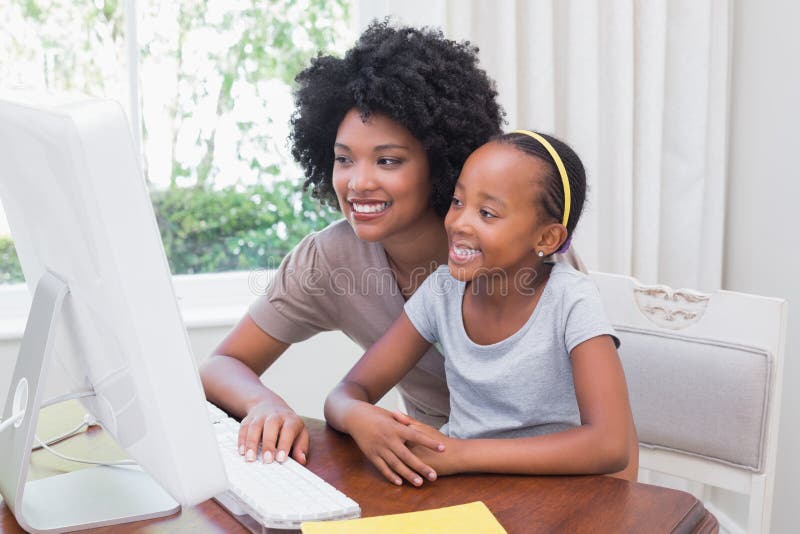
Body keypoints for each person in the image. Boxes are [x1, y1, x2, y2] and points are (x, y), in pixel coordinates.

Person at [200, 21, 583, 467]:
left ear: (441, 161)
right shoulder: (330, 259)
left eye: (388, 160)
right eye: (344, 159)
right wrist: (264, 405)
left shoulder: (515, 246)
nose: (358, 183)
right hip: (431, 470)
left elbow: (605, 433)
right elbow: (221, 365)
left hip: (551, 474)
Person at [324, 130, 639, 487]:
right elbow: (345, 393)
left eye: (487, 213)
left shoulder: (572, 300)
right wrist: (360, 417)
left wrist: (460, 454)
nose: (459, 223)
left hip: (556, 497)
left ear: (547, 238)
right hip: (463, 490)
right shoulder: (442, 292)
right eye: (458, 202)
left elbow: (610, 446)